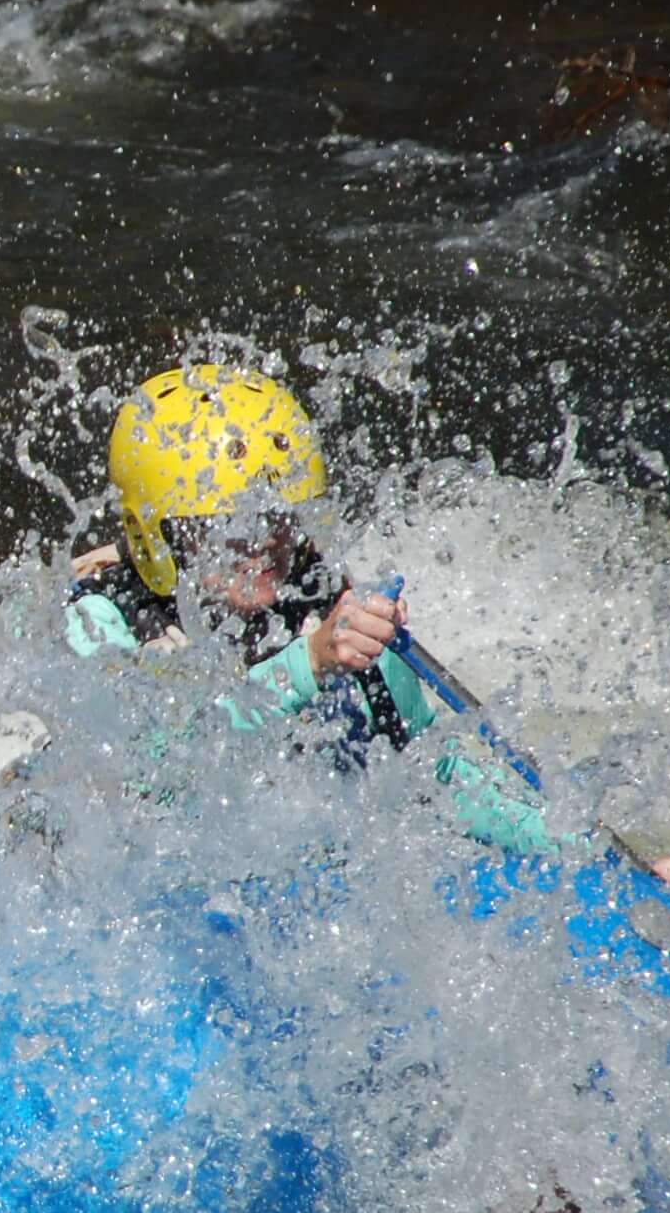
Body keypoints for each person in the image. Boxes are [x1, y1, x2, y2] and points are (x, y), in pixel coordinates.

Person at [63, 363, 582, 863]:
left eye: (278, 515)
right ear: (158, 529)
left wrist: (576, 843)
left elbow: (434, 770)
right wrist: (310, 663)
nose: (263, 542)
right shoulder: (98, 617)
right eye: (227, 523)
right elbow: (158, 766)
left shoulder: (325, 601)